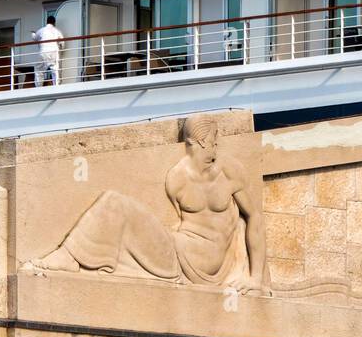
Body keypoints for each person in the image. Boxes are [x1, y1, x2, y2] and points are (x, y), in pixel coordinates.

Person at [31, 114, 269, 294]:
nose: (213, 149)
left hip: (207, 262)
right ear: (192, 143)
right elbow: (177, 221)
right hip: (175, 252)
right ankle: (71, 256)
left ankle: (70, 257)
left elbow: (255, 218)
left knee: (115, 202)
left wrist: (255, 278)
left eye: (214, 143)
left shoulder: (230, 171)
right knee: (114, 203)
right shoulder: (177, 178)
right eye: (206, 143)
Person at [31, 15, 63, 87]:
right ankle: (57, 86)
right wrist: (61, 50)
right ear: (54, 23)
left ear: (47, 22)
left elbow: (35, 38)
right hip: (54, 52)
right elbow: (62, 42)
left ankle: (38, 88)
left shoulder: (41, 30)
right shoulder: (57, 31)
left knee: (39, 70)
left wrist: (33, 33)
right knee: (55, 70)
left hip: (43, 52)